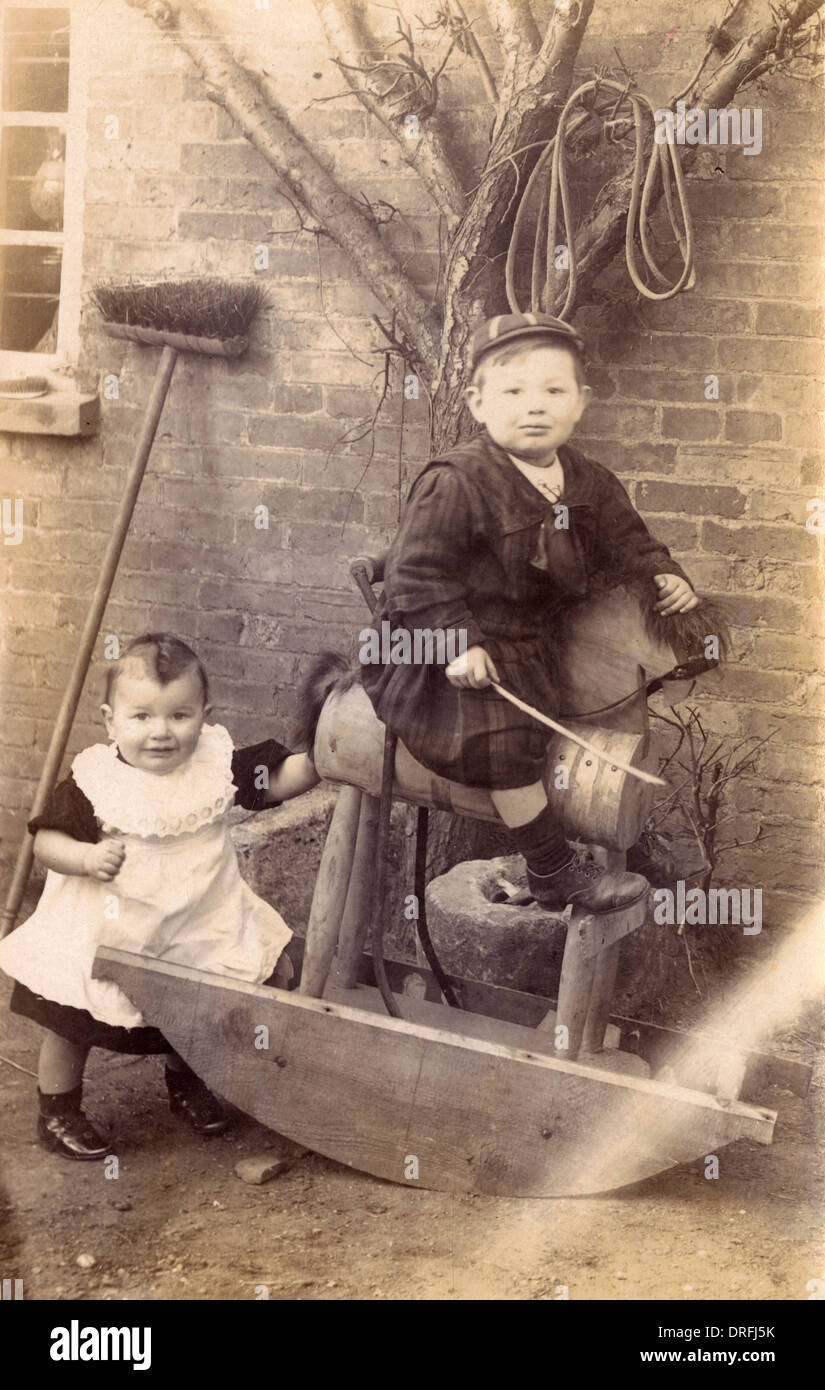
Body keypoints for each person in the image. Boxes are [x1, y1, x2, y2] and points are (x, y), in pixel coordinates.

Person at [360, 312, 699, 913]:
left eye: (553, 390)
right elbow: (417, 577)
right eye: (513, 391)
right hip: (445, 652)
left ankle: (624, 832)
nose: (533, 406)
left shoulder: (588, 481)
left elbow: (630, 543)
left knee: (608, 707)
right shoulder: (457, 481)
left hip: (535, 642)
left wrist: (665, 575)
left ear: (580, 403)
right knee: (505, 739)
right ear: (477, 402)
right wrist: (456, 644)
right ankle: (551, 869)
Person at [0, 633, 319, 1159]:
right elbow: (48, 839)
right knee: (73, 1016)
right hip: (107, 928)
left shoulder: (215, 765)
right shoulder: (96, 782)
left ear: (204, 714)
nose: (161, 732)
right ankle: (58, 1109)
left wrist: (324, 756)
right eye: (142, 717)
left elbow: (279, 779)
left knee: (196, 1008)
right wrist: (84, 859)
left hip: (195, 919)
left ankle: (186, 1086)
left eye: (179, 716)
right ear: (110, 721)